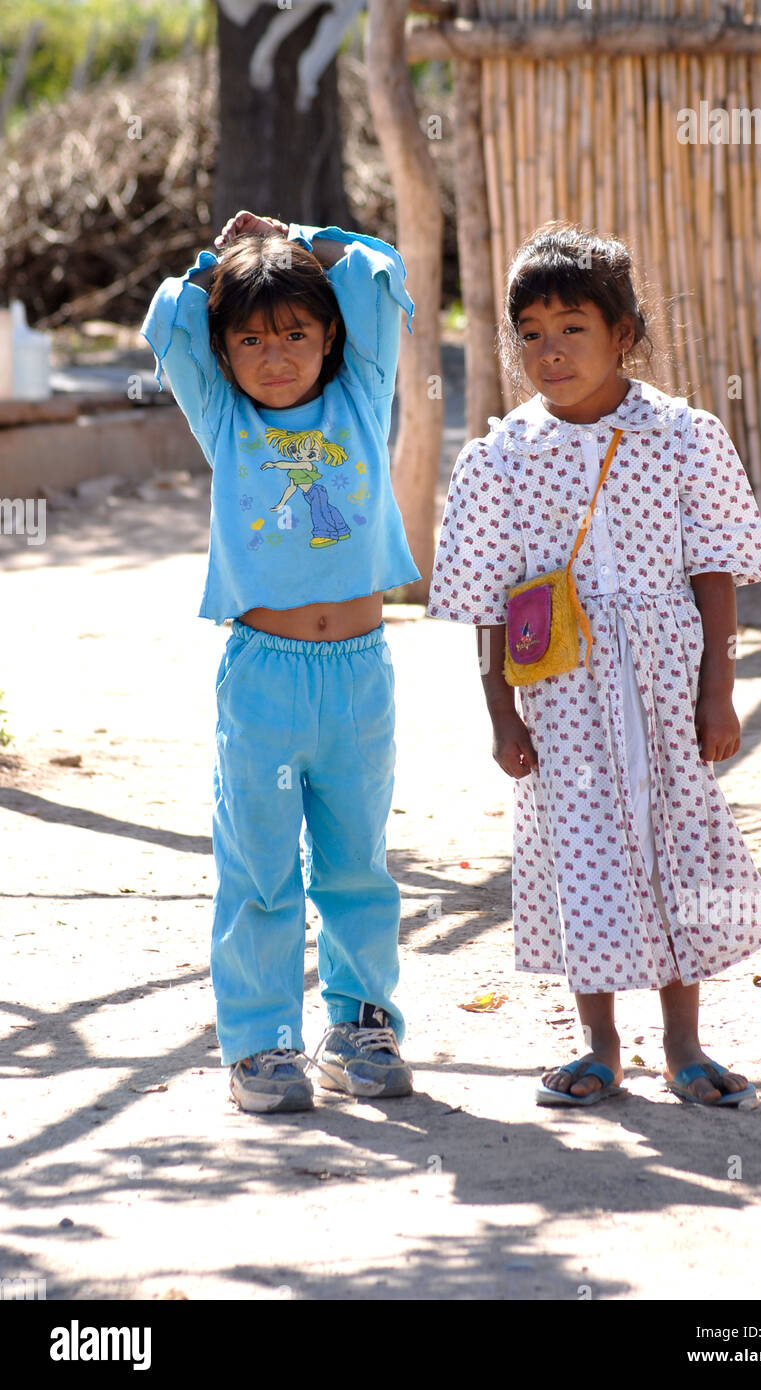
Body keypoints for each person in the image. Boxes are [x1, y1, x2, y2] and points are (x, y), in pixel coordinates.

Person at [426, 221, 761, 1109]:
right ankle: (598, 1046)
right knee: (580, 858)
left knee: (675, 860)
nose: (551, 350)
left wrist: (719, 693)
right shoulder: (502, 458)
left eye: (573, 327)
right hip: (561, 696)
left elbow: (715, 576)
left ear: (624, 333)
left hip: (666, 688)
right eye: (532, 333)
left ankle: (686, 1046)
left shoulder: (686, 437)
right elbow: (489, 603)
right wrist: (502, 715)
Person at [140, 210, 419, 1112]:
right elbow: (168, 320)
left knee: (357, 862)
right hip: (264, 675)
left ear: (329, 334)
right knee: (259, 866)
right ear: (224, 353)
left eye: (295, 333)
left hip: (360, 678)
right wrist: (218, 260)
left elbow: (380, 271)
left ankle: (361, 1027)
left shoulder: (362, 393)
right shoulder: (223, 415)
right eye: (251, 339)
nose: (274, 355)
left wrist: (301, 234)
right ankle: (261, 1045)